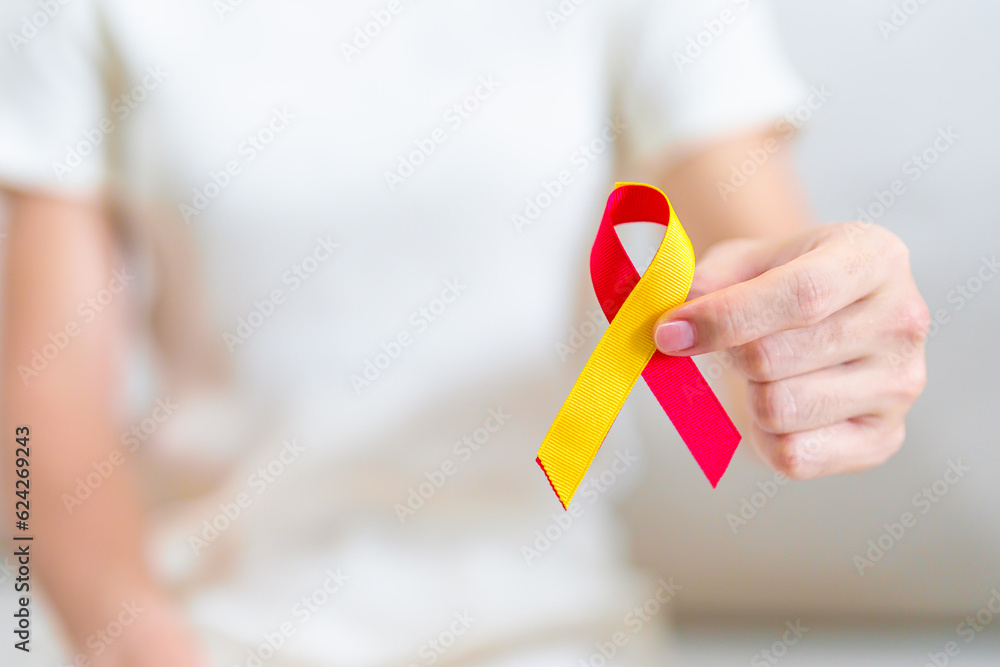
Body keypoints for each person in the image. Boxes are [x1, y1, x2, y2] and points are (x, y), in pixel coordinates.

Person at [0, 0, 928, 665]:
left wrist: (827, 333)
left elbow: (758, 261)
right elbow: (43, 390)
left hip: (545, 631)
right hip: (207, 627)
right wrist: (137, 642)